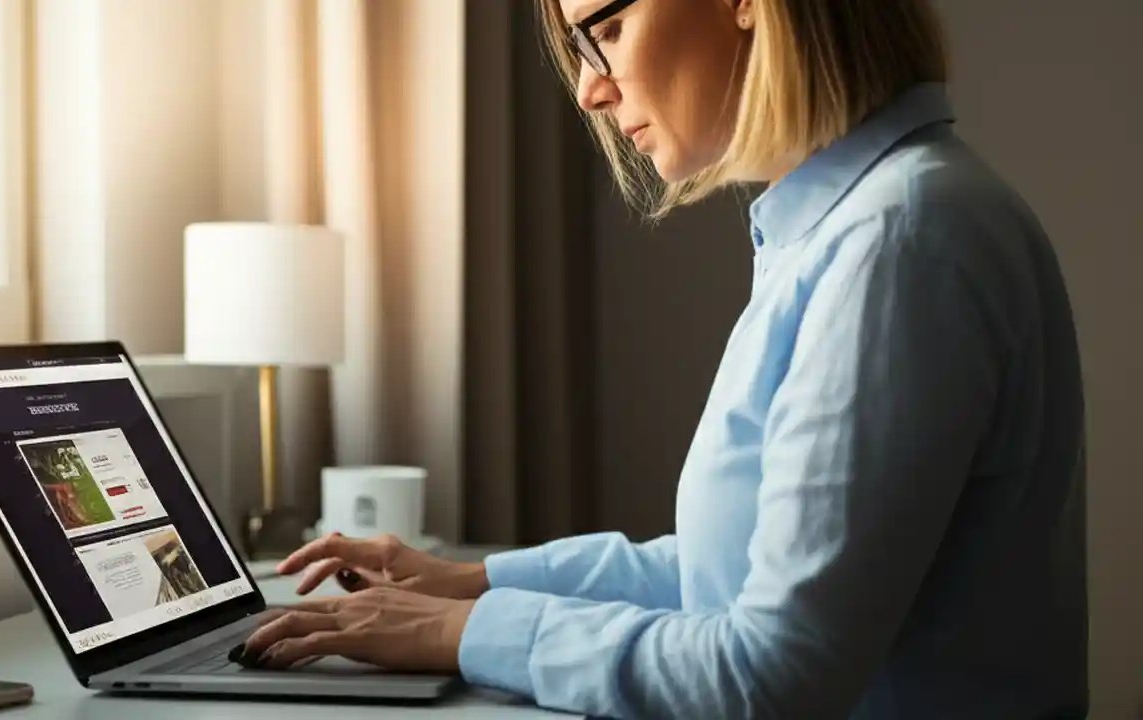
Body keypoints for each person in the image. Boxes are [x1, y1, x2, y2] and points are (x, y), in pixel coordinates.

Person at [236, 0, 1089, 717]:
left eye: (602, 28)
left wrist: (456, 633)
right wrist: (466, 584)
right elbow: (730, 570)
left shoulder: (900, 239)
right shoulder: (861, 224)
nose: (589, 88)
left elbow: (771, 673)